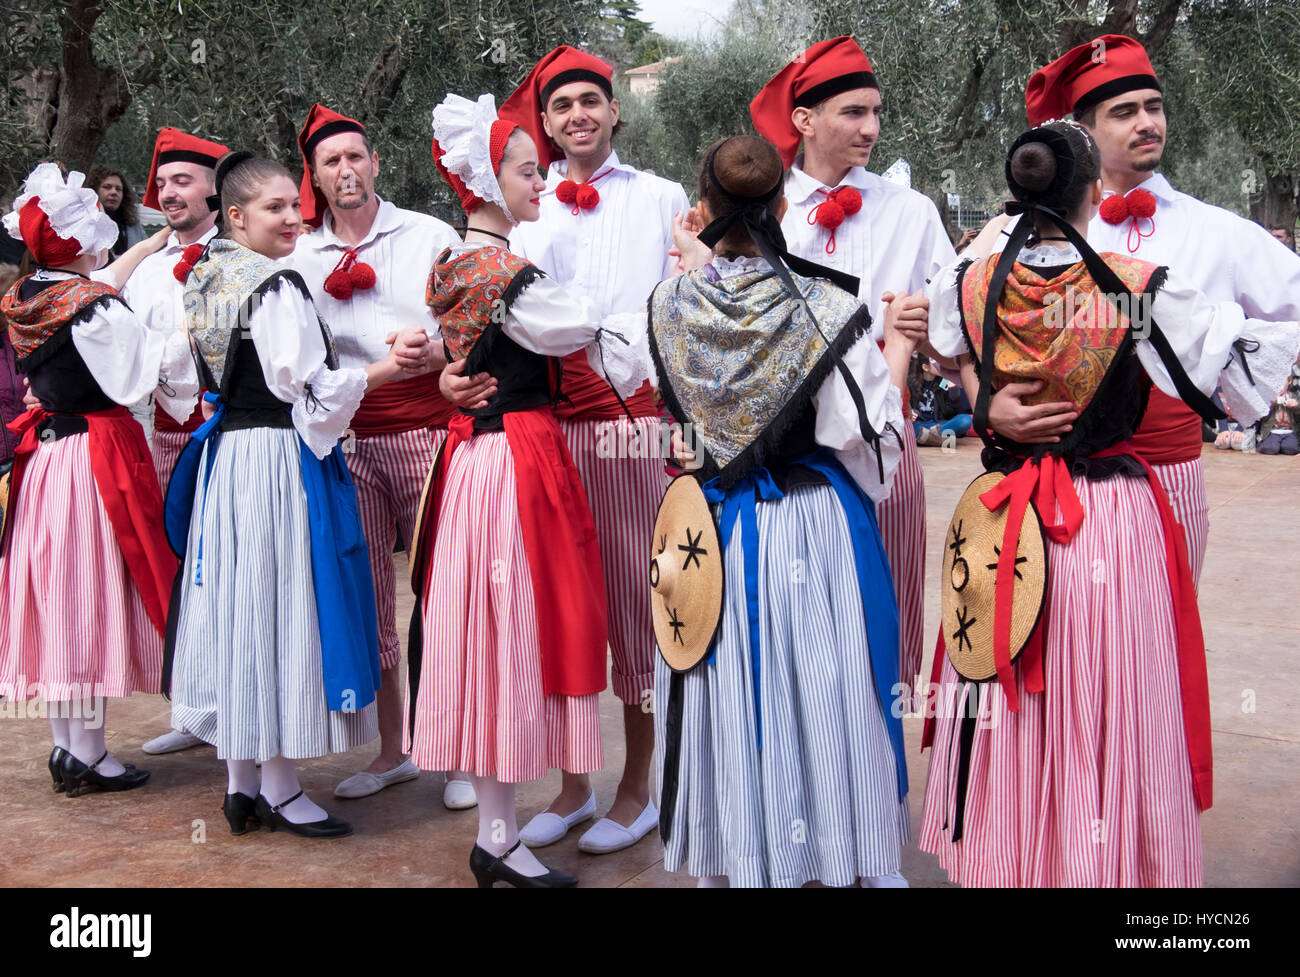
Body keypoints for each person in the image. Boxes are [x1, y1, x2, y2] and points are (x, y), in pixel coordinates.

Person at [916, 121, 1299, 886]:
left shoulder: (969, 277)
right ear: (1096, 192)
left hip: (1001, 512)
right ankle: (1107, 861)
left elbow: (942, 346)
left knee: (1012, 683)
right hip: (1105, 521)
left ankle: (1010, 855)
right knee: (1109, 691)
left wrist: (989, 403)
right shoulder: (1141, 283)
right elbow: (1244, 381)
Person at [646, 134, 921, 887]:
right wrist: (895, 346)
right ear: (780, 207)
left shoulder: (666, 305)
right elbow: (868, 440)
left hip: (708, 531)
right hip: (806, 522)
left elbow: (659, 401)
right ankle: (841, 853)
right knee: (825, 692)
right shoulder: (830, 307)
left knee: (724, 690)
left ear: (699, 211)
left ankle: (737, 855)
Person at [409, 92, 635, 886]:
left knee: (489, 635)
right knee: (513, 631)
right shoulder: (509, 271)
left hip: (477, 456)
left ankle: (499, 828)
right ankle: (499, 836)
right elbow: (575, 328)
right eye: (526, 170)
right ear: (486, 179)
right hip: (516, 458)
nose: (538, 182)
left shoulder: (450, 262)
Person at [165, 152, 421, 838]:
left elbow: (187, 384)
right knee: (278, 609)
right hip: (276, 460)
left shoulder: (208, 277)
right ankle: (278, 786)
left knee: (241, 608)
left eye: (293, 204)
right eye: (274, 207)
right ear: (238, 215)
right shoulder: (275, 285)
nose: (292, 216)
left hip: (230, 461)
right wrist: (384, 368)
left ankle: (240, 781)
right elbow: (305, 389)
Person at [988, 35, 1300, 583]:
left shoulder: (1218, 232)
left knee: (1161, 642)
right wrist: (987, 406)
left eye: (1153, 107)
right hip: (1053, 470)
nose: (1146, 122)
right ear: (1083, 131)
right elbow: (964, 330)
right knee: (1058, 641)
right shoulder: (1027, 237)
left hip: (1170, 473)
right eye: (1125, 112)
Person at [479, 46, 689, 853]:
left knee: (640, 599)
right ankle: (573, 784)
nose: (577, 115)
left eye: (590, 101)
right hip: (545, 428)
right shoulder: (529, 205)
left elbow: (676, 305)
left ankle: (640, 787)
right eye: (562, 103)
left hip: (633, 428)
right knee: (562, 601)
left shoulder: (662, 197)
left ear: (614, 111)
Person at [750, 36, 956, 719]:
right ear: (804, 120)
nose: (871, 128)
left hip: (886, 437)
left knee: (890, 602)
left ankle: (883, 797)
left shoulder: (912, 211)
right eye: (853, 112)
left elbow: (956, 331)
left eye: (876, 112)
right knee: (793, 614)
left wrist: (934, 332)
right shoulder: (761, 211)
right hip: (787, 448)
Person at [285, 104, 472, 807]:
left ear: (375, 163)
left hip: (429, 430)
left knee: (444, 590)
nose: (346, 170)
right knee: (368, 596)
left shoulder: (427, 234)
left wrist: (441, 350)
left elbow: (471, 323)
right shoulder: (299, 256)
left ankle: (457, 753)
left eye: (355, 156)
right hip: (347, 442)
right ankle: (395, 749)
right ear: (316, 177)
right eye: (331, 161)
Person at [0, 163, 197, 796]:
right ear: (82, 241)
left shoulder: (29, 294)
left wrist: (147, 247)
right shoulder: (94, 309)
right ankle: (88, 756)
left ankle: (68, 748)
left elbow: (96, 284)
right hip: (93, 462)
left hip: (47, 461)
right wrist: (187, 332)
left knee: (59, 600)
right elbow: (133, 376)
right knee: (88, 596)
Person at [126, 128, 231, 758]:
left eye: (182, 180)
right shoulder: (146, 268)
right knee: (181, 569)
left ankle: (237, 708)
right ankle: (192, 708)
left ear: (214, 188)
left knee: (227, 567)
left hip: (227, 436)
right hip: (166, 437)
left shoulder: (241, 257)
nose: (168, 193)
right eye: (162, 183)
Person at [909, 353, 972, 443]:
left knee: (965, 420)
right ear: (925, 367)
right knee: (909, 427)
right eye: (935, 363)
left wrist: (954, 391)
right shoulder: (911, 382)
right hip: (919, 425)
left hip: (939, 425)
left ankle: (927, 438)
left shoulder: (945, 381)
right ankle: (936, 438)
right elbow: (903, 407)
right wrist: (910, 412)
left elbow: (951, 414)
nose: (940, 365)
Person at [89, 167, 146, 258]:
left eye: (118, 189)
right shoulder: (85, 225)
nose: (113, 192)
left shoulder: (133, 225)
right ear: (94, 191)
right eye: (107, 187)